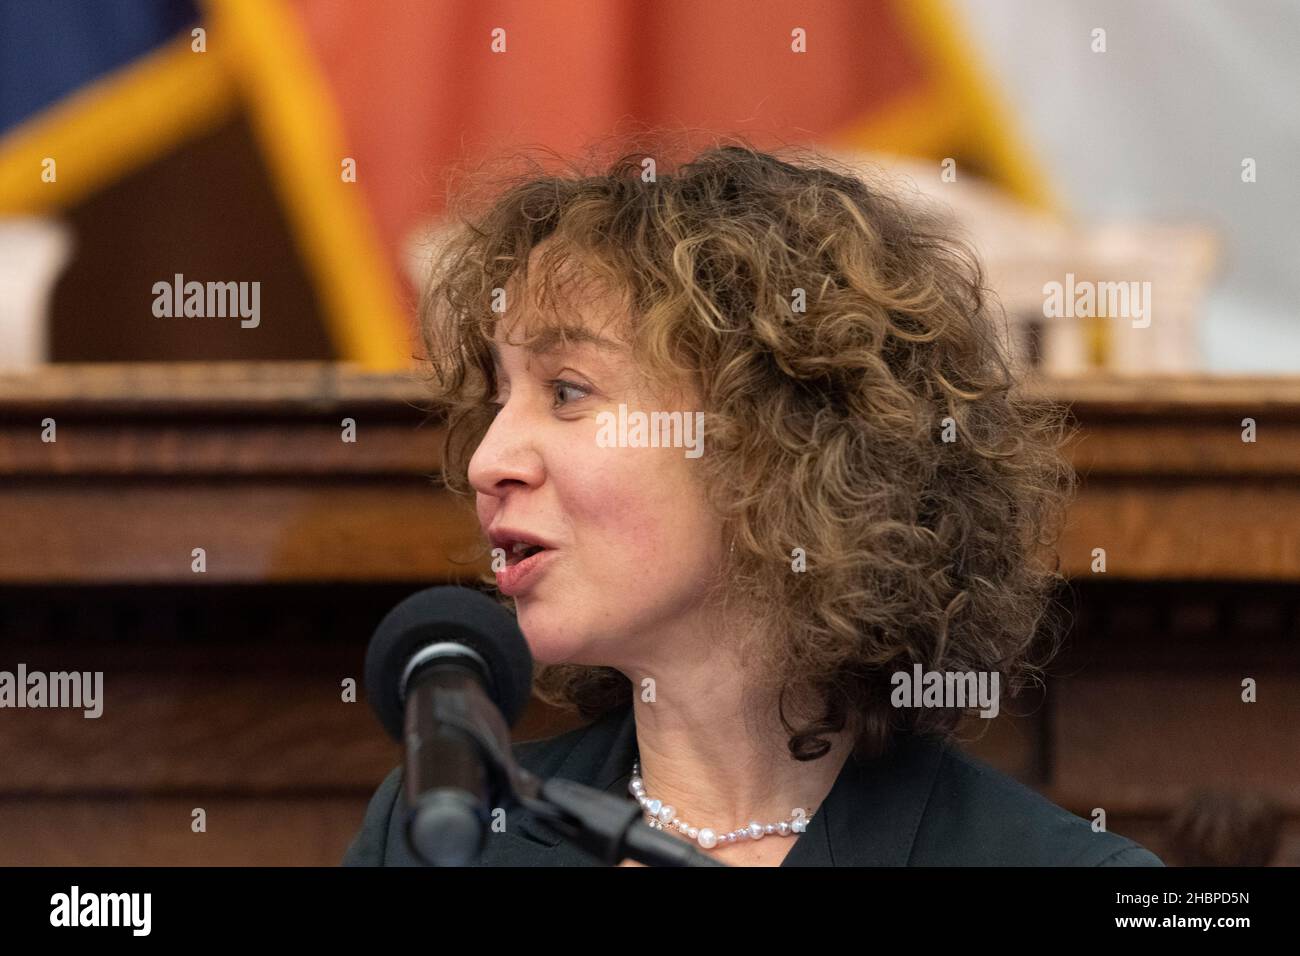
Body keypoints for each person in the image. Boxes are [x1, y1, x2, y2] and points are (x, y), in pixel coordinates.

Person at [343, 141, 1163, 867]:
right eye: (496, 400)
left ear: (777, 440)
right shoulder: (435, 834)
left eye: (567, 390)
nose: (488, 462)